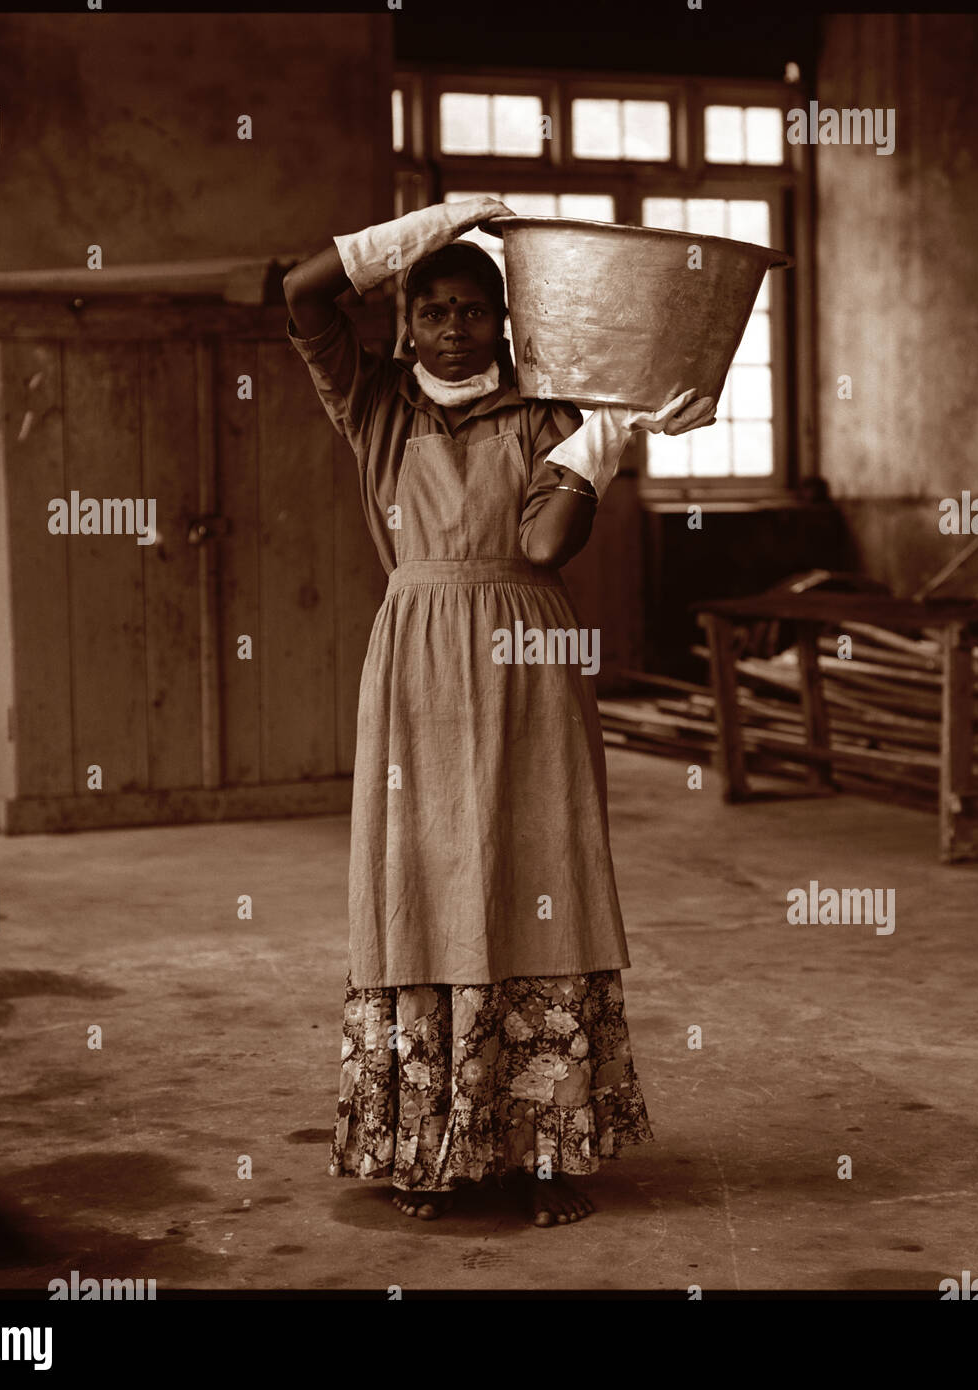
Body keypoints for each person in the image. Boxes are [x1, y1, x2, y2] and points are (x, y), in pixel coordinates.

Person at [283, 197, 716, 1228]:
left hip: (529, 662)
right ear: (405, 323)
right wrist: (435, 223)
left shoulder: (543, 407)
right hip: (417, 661)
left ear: (505, 321)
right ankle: (426, 1144)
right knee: (420, 877)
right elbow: (304, 293)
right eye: (431, 309)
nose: (451, 326)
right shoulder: (372, 401)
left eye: (472, 309)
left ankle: (538, 1153)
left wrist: (607, 428)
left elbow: (541, 549)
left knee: (537, 868)